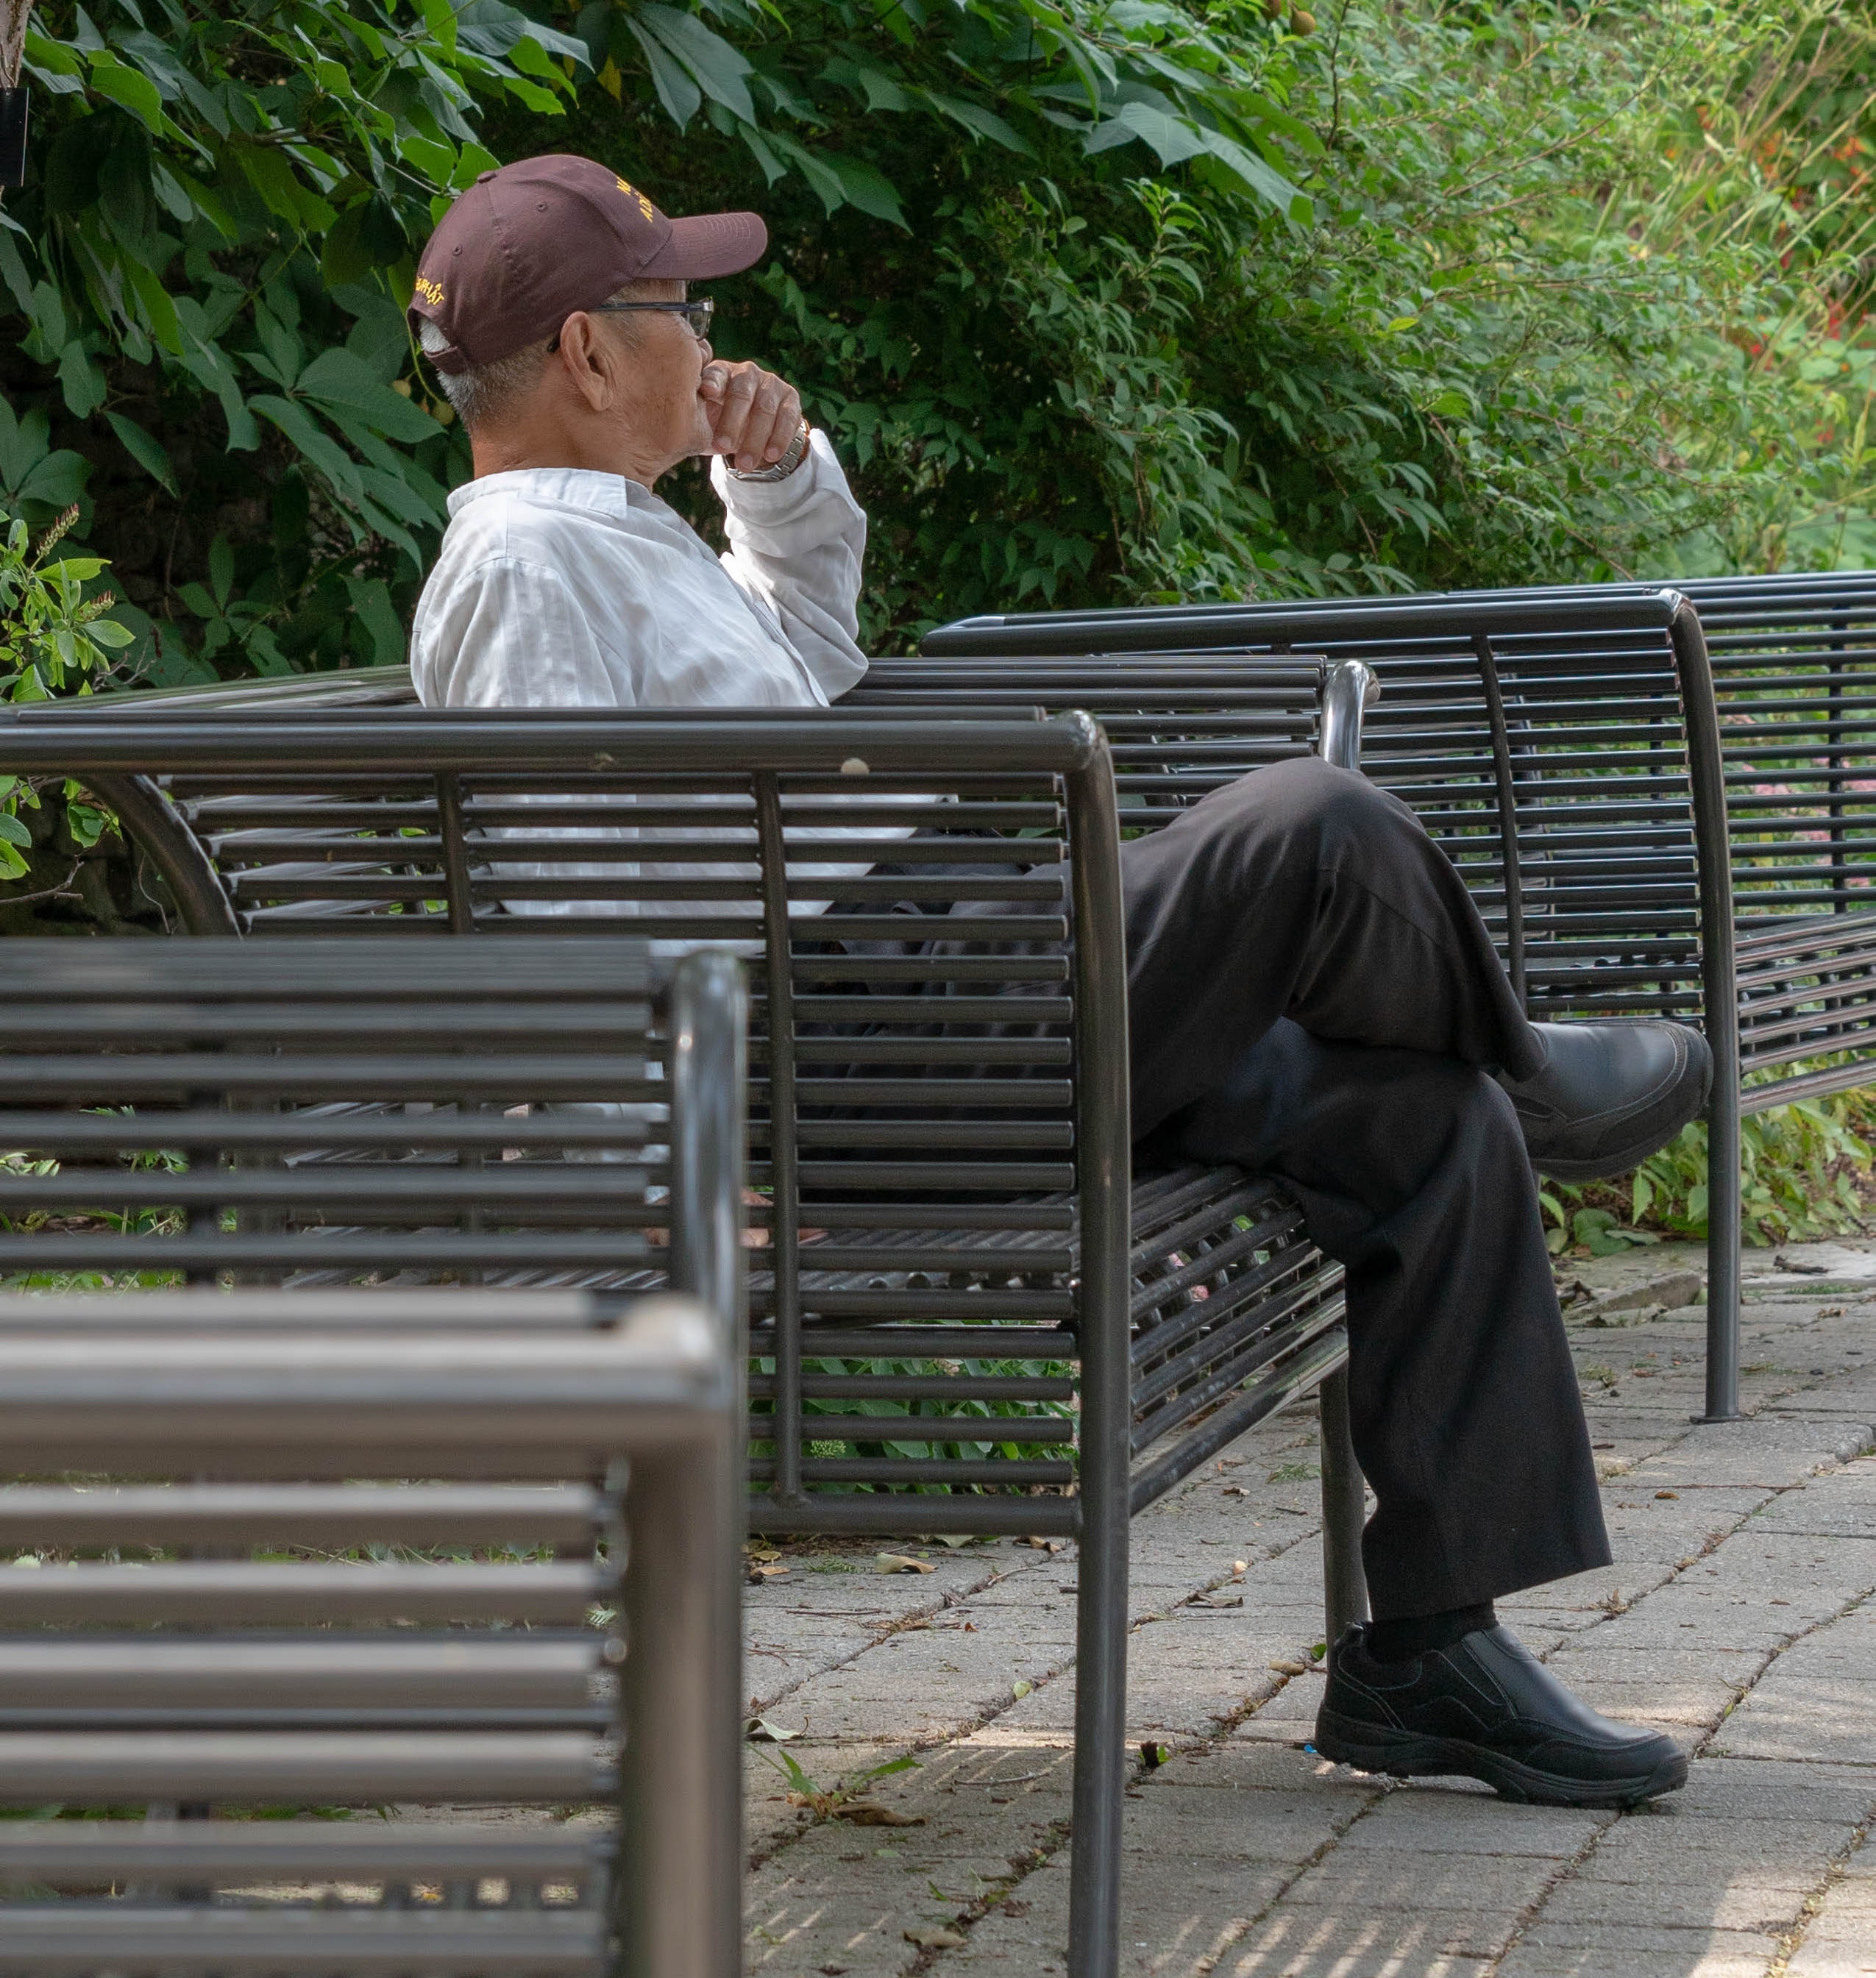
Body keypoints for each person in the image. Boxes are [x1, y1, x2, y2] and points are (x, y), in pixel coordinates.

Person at [410, 154, 1710, 1811]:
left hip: (920, 993)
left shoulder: (610, 540)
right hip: (857, 1036)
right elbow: (571, 909)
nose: (711, 332)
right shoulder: (531, 570)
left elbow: (806, 663)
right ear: (592, 351)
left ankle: (1427, 1657)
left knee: (1425, 1121)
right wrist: (674, 1163)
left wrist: (785, 478)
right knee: (1307, 824)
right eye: (681, 306)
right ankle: (1540, 1074)